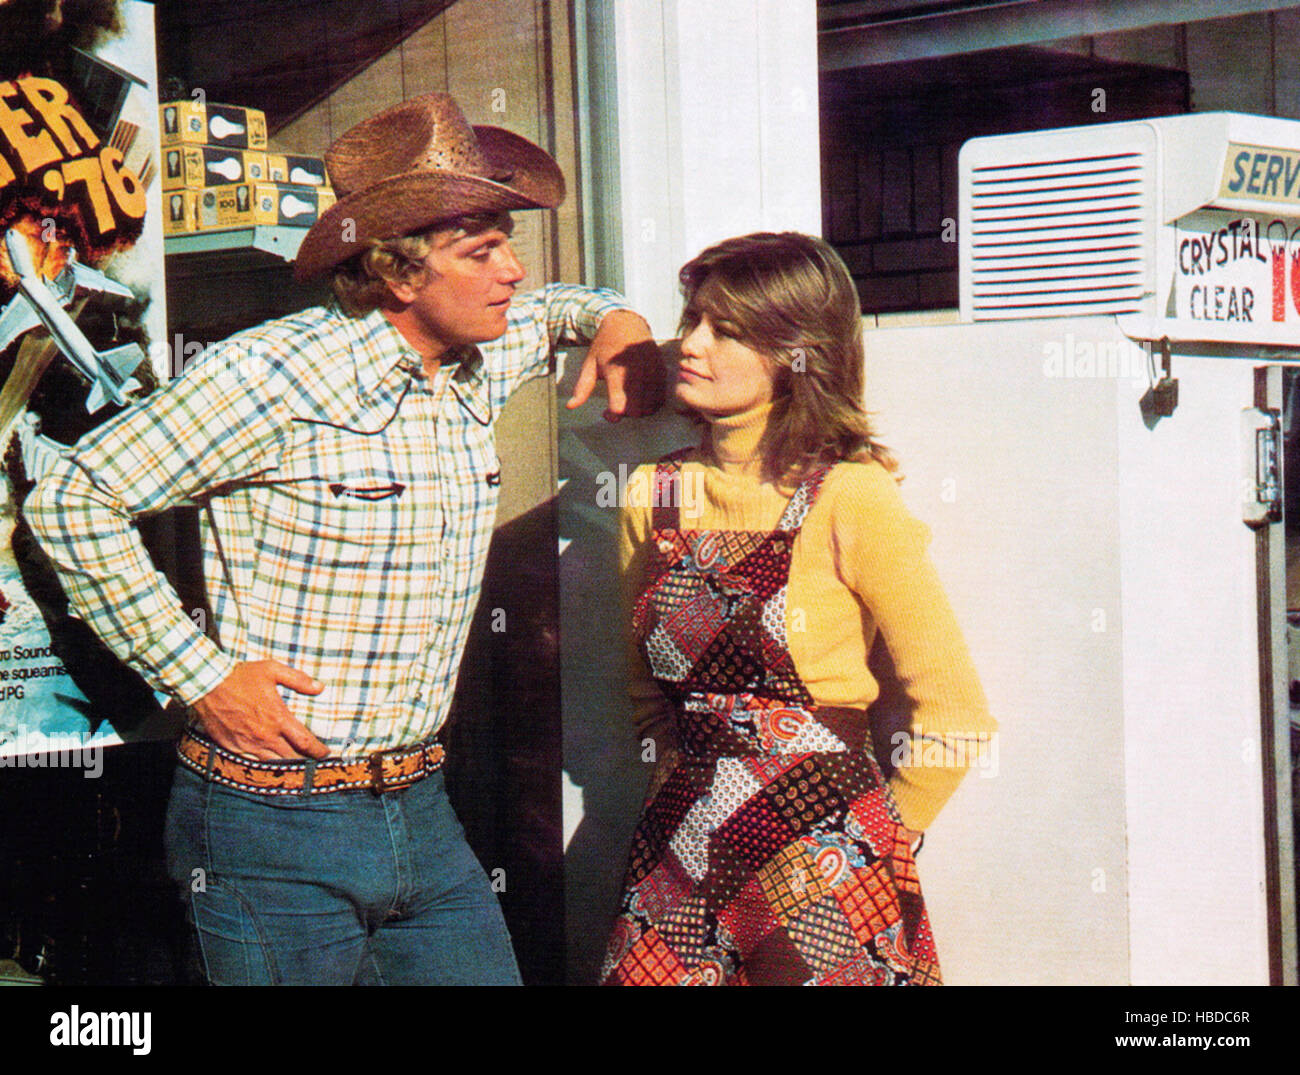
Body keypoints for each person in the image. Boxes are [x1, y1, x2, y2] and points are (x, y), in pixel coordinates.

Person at [25, 92, 661, 986]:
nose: (513, 271)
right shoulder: (274, 373)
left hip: (425, 813)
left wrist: (616, 319)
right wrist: (198, 674)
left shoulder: (472, 356)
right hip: (268, 827)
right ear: (401, 275)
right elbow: (72, 497)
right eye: (483, 252)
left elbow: (560, 306)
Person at [600, 232, 994, 986]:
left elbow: (956, 712)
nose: (692, 343)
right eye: (693, 319)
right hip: (680, 849)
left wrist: (877, 845)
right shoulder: (652, 492)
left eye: (729, 331)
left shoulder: (852, 494)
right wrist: (681, 803)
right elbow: (645, 695)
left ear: (797, 354)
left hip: (822, 859)